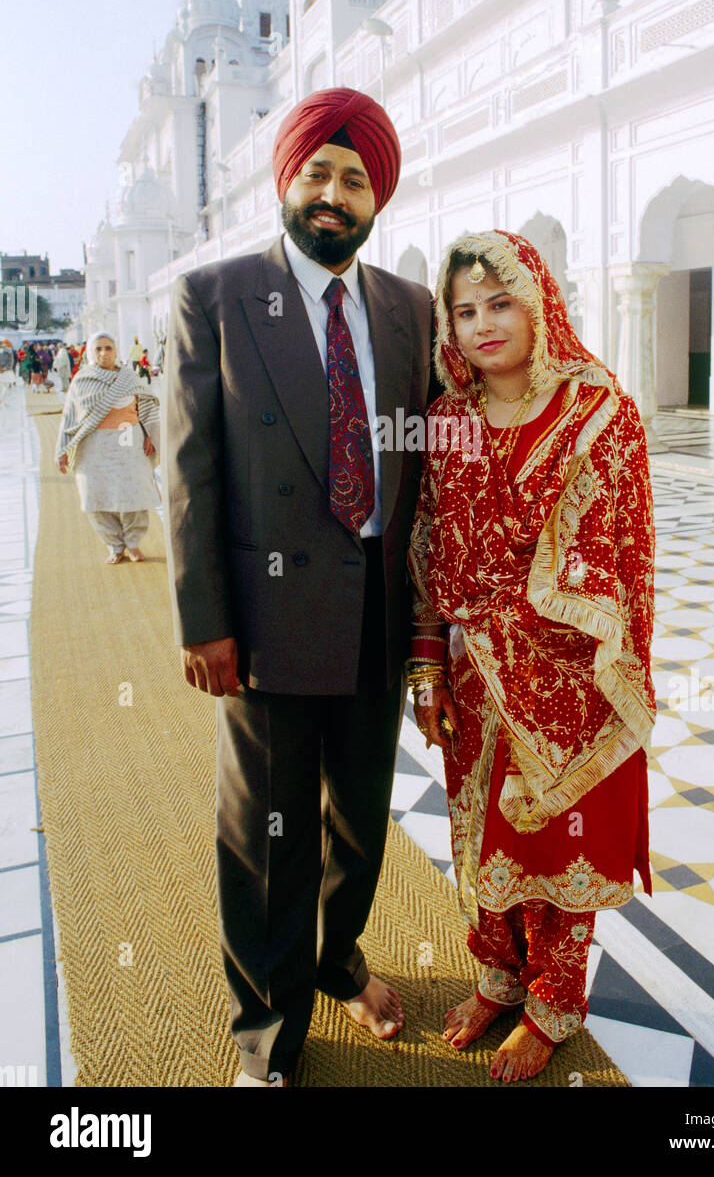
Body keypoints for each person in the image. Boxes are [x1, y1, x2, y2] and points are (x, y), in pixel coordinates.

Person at [164, 87, 435, 1087]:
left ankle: (336, 960)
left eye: (354, 178)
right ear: (286, 181)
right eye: (316, 173)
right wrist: (204, 619)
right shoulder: (218, 296)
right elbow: (186, 475)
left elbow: (433, 457)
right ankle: (267, 1036)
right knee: (268, 836)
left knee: (361, 826)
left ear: (376, 199)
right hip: (267, 623)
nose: (333, 194)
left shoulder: (408, 308)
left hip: (375, 618)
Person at [407, 231, 656, 1084]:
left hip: (572, 674)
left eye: (500, 302)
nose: (482, 324)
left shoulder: (598, 412)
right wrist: (428, 665)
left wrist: (537, 610)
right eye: (464, 310)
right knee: (481, 833)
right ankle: (498, 974)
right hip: (475, 669)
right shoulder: (449, 419)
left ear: (540, 300)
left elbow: (624, 550)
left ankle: (552, 1002)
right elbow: (432, 543)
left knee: (556, 843)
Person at [55, 331, 161, 563]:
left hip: (129, 444)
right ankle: (114, 545)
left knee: (135, 494)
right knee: (96, 497)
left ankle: (133, 543)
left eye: (108, 348)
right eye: (98, 349)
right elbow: (69, 417)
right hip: (93, 448)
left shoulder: (130, 378)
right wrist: (62, 449)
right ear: (90, 353)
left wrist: (151, 435)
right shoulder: (81, 380)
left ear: (116, 351)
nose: (104, 353)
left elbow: (149, 406)